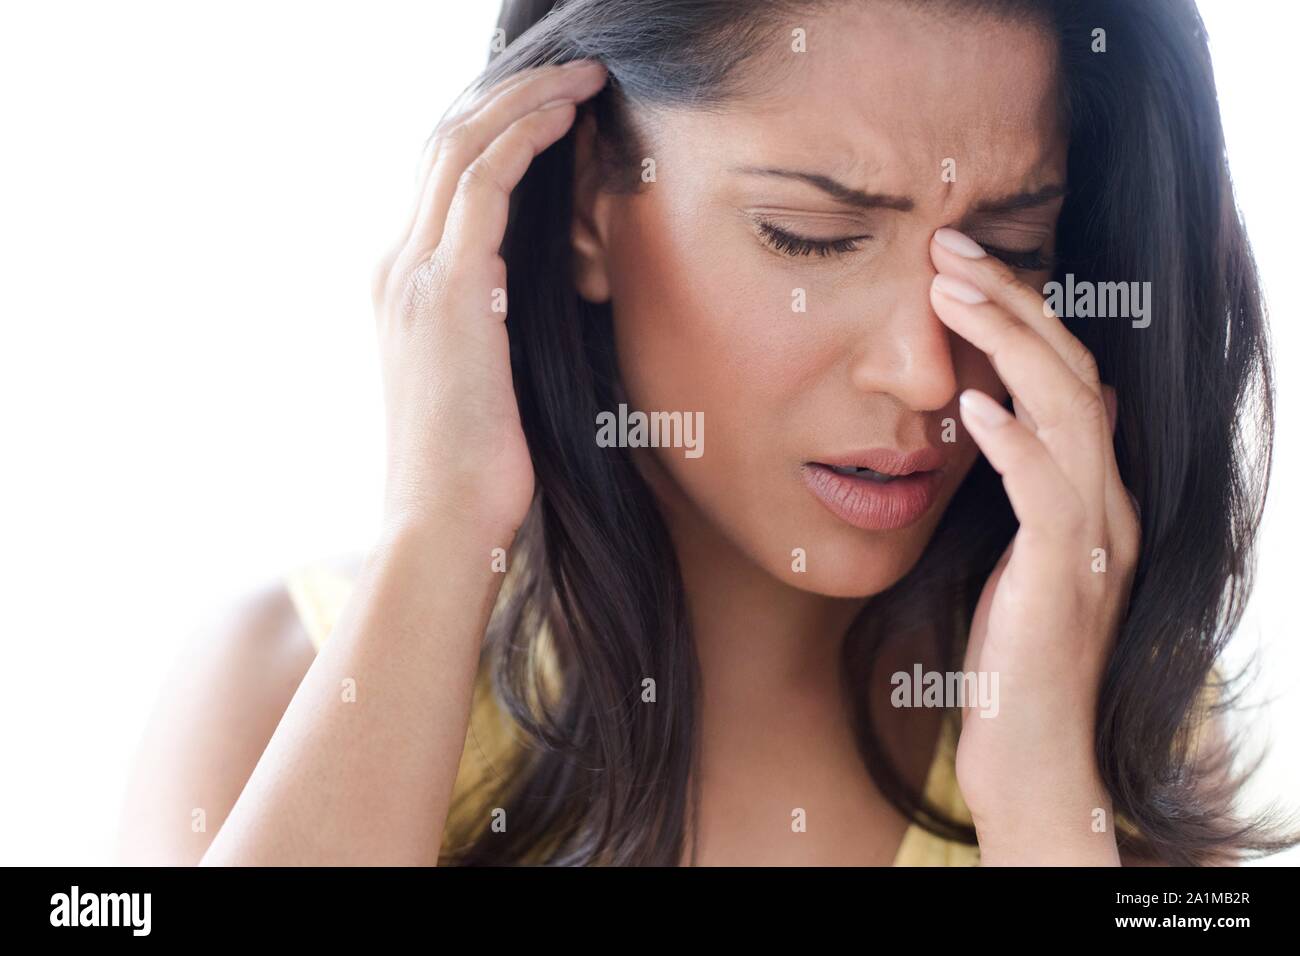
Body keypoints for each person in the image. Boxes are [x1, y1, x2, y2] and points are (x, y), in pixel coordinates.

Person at [118, 0, 1298, 866]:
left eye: (1009, 248)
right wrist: (443, 532)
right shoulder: (277, 688)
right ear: (585, 201)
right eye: (808, 235)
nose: (923, 369)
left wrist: (1043, 798)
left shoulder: (1116, 729)